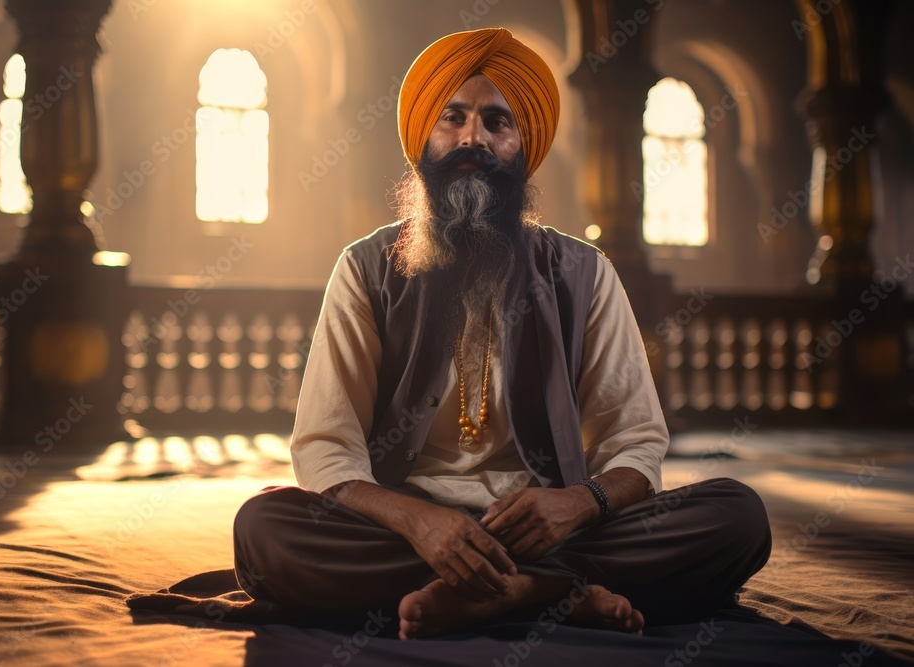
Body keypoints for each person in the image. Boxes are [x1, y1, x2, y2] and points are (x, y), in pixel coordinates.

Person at [233, 27, 771, 641]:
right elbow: (326, 447)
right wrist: (421, 523)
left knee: (738, 515)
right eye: (453, 118)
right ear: (423, 140)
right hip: (406, 530)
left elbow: (637, 440)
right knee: (264, 528)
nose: (473, 140)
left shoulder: (584, 272)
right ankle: (552, 592)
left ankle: (500, 589)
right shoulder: (365, 268)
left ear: (523, 145)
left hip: (550, 524)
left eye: (497, 122)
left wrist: (577, 504)